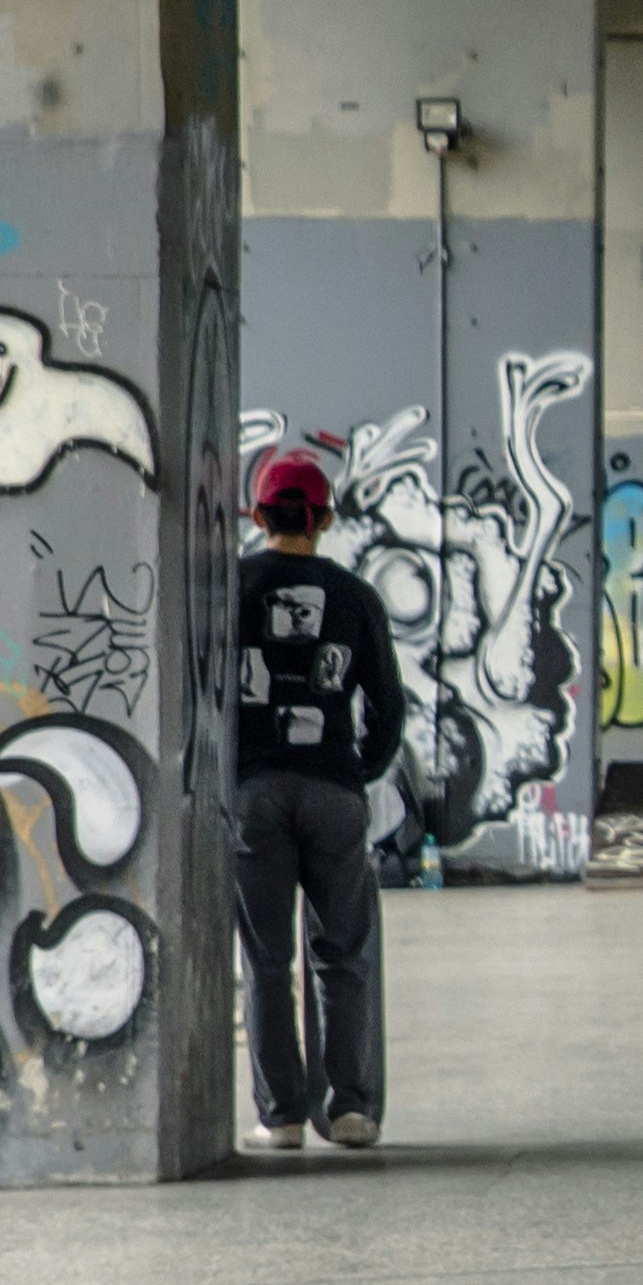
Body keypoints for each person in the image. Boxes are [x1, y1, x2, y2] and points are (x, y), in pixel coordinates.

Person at [232, 444, 405, 1154]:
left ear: (257, 515)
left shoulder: (232, 588)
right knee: (344, 954)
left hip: (254, 792)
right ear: (325, 518)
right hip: (334, 788)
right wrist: (357, 771)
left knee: (266, 960)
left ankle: (282, 1118)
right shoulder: (355, 596)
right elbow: (387, 707)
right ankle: (352, 1110)